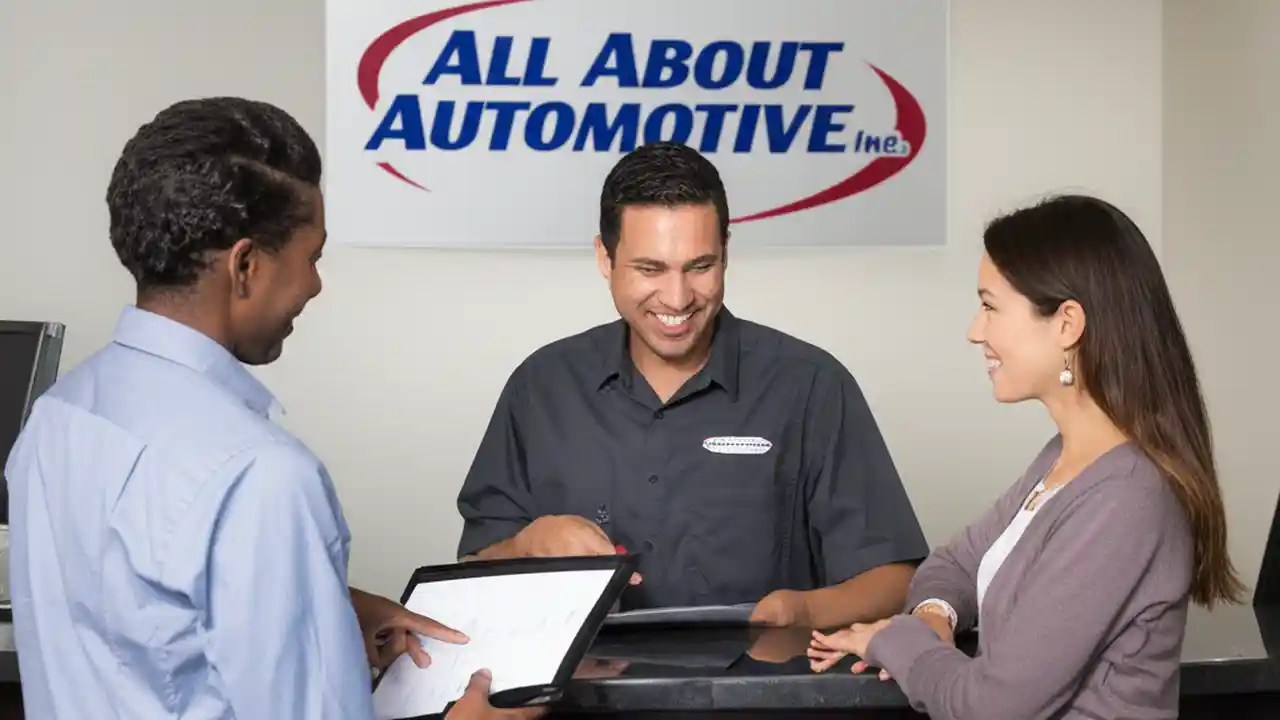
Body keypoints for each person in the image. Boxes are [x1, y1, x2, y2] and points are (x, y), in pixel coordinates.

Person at [4, 98, 538, 719]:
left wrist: (326, 609)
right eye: (311, 257)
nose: (314, 285)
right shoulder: (261, 474)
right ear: (247, 265)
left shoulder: (56, 417)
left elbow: (119, 621)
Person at [455, 142, 929, 629]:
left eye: (700, 266)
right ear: (604, 257)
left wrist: (805, 611)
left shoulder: (812, 387)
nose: (678, 298)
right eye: (649, 269)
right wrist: (528, 545)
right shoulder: (541, 387)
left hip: (759, 694)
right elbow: (469, 576)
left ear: (726, 253)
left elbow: (894, 578)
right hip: (573, 697)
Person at [808, 194, 1245, 719]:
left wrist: (898, 641)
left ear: (1067, 324)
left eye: (990, 306)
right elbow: (955, 563)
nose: (976, 330)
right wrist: (932, 615)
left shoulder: (1126, 499)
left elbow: (993, 705)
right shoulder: (1066, 458)